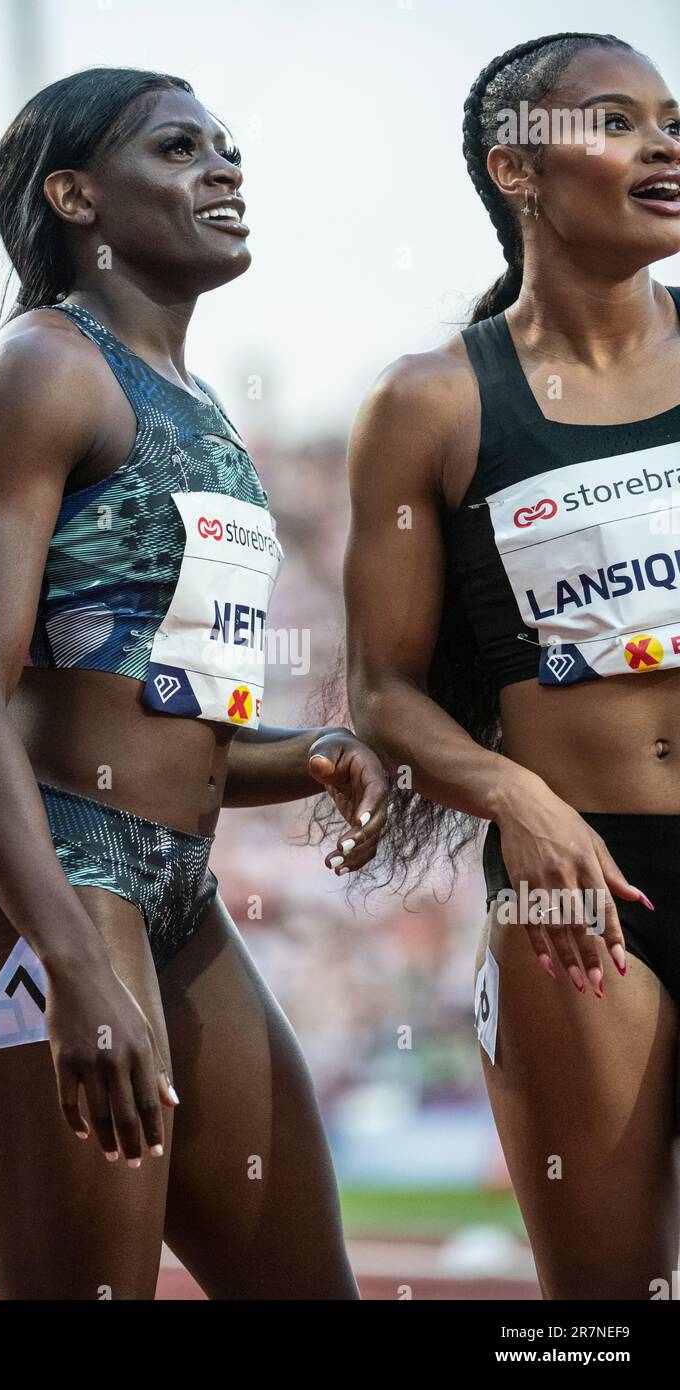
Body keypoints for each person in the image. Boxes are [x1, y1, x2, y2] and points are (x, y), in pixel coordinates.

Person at [0, 66, 389, 1300]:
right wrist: (70, 964)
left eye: (226, 149)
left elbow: (173, 726)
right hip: (39, 878)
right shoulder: (44, 367)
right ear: (75, 195)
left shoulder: (205, 409)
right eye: (178, 150)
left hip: (171, 881)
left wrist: (318, 750)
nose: (223, 170)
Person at [337, 32, 680, 1299]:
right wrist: (516, 795)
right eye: (615, 120)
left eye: (671, 120)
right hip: (579, 890)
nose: (661, 144)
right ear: (516, 169)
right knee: (601, 1314)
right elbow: (382, 689)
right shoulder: (430, 403)